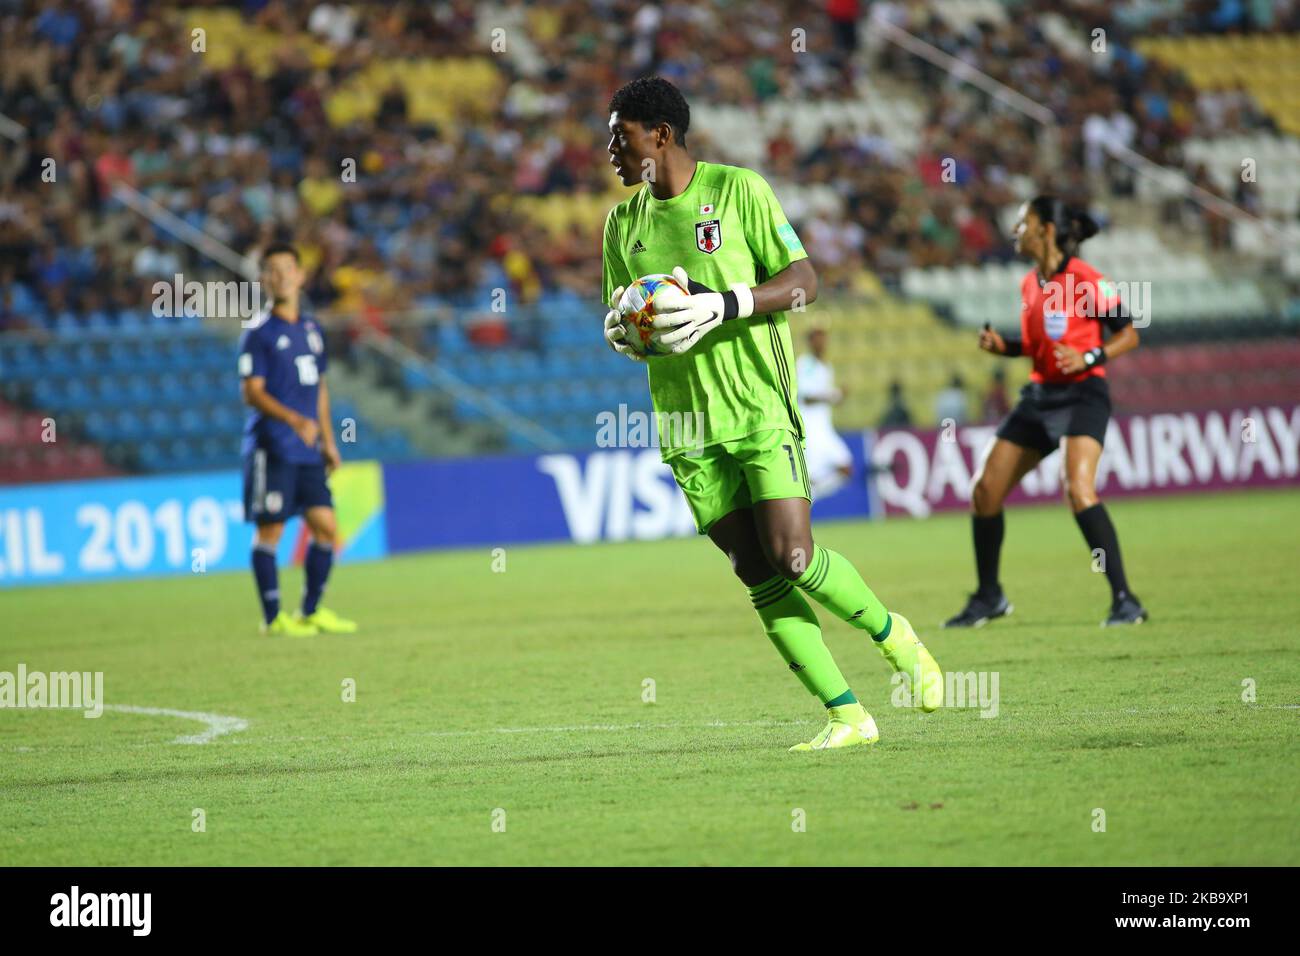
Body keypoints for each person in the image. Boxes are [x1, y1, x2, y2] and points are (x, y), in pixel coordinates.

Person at [601, 77, 942, 752]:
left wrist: (721, 304)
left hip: (757, 404)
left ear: (659, 135)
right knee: (754, 569)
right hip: (686, 422)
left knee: (792, 555)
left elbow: (804, 282)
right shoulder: (622, 224)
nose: (610, 149)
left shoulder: (738, 192)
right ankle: (848, 716)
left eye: (621, 135)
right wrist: (620, 333)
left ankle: (892, 634)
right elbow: (622, 312)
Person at [944, 196, 1148, 628]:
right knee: (984, 492)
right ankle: (989, 597)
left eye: (1023, 223)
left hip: (1083, 394)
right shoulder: (1029, 284)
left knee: (1077, 490)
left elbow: (1128, 334)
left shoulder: (1086, 279)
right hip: (1040, 396)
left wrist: (1090, 356)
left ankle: (1126, 600)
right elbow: (1038, 348)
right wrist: (1007, 347)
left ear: (1047, 231)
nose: (1016, 231)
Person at [238, 243, 357, 636]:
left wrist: (327, 439)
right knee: (270, 531)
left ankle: (311, 610)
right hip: (273, 446)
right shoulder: (258, 333)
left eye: (288, 269)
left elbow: (319, 387)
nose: (281, 276)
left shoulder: (311, 329)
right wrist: (293, 420)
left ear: (301, 275)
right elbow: (251, 392)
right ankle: (272, 618)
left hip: (307, 448)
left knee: (326, 528)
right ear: (263, 280)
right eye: (272, 270)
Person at [795, 327, 853, 498]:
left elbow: (826, 399)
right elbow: (805, 397)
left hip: (825, 428)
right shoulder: (805, 363)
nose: (822, 343)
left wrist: (837, 398)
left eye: (824, 339)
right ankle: (805, 503)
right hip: (810, 428)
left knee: (845, 468)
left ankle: (811, 496)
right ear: (810, 342)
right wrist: (834, 395)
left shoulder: (826, 367)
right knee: (811, 476)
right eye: (818, 339)